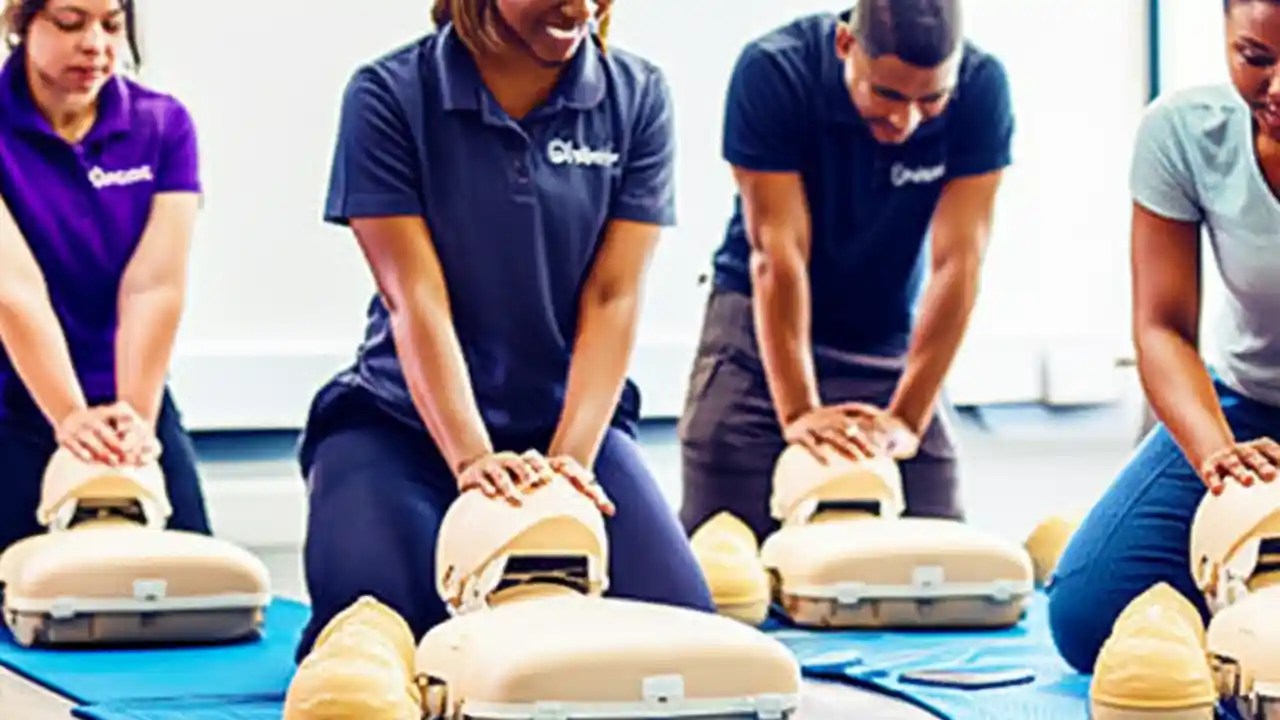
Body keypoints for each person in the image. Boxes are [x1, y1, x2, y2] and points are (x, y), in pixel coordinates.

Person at [294, 0, 715, 660]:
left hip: (566, 429)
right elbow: (416, 299)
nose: (578, 7)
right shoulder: (389, 94)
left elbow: (612, 296)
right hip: (401, 426)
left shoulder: (636, 96)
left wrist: (568, 469)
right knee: (382, 633)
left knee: (682, 637)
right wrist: (474, 460)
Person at [677, 0, 1014, 542]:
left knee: (940, 549)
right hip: (758, 328)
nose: (905, 121)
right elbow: (777, 253)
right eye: (887, 95)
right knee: (725, 554)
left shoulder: (981, 86)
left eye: (931, 100)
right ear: (845, 46)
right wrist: (799, 412)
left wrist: (907, 416)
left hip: (884, 330)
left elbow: (959, 262)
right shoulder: (775, 71)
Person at [1047, 0, 1280, 674]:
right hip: (1244, 407)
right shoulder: (1182, 132)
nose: (1277, 89)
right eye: (1255, 58)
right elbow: (1161, 326)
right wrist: (1221, 460)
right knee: (1089, 615)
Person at [0, 0, 211, 554]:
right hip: (13, 399)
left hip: (129, 402)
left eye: (112, 25)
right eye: (70, 23)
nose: (95, 44)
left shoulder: (163, 126)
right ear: (21, 22)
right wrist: (69, 417)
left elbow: (154, 284)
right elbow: (14, 290)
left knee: (187, 586)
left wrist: (134, 423)